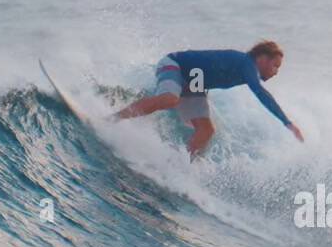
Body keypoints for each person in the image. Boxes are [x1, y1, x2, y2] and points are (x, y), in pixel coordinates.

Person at [115, 40, 304, 159]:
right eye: (275, 66)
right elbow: (260, 92)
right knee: (170, 99)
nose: (276, 72)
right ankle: (111, 120)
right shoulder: (247, 64)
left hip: (195, 81)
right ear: (262, 58)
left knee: (206, 130)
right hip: (176, 65)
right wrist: (287, 122)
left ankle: (185, 167)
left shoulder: (247, 67)